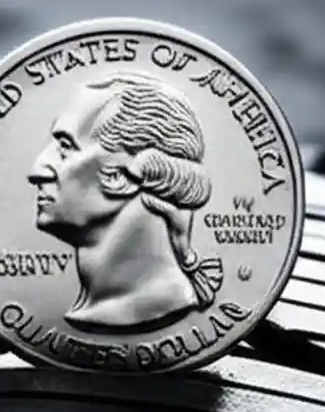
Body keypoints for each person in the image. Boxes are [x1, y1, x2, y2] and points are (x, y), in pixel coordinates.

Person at [28, 71, 222, 333]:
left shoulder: (161, 304)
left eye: (65, 146)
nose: (36, 170)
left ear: (121, 176)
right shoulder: (95, 310)